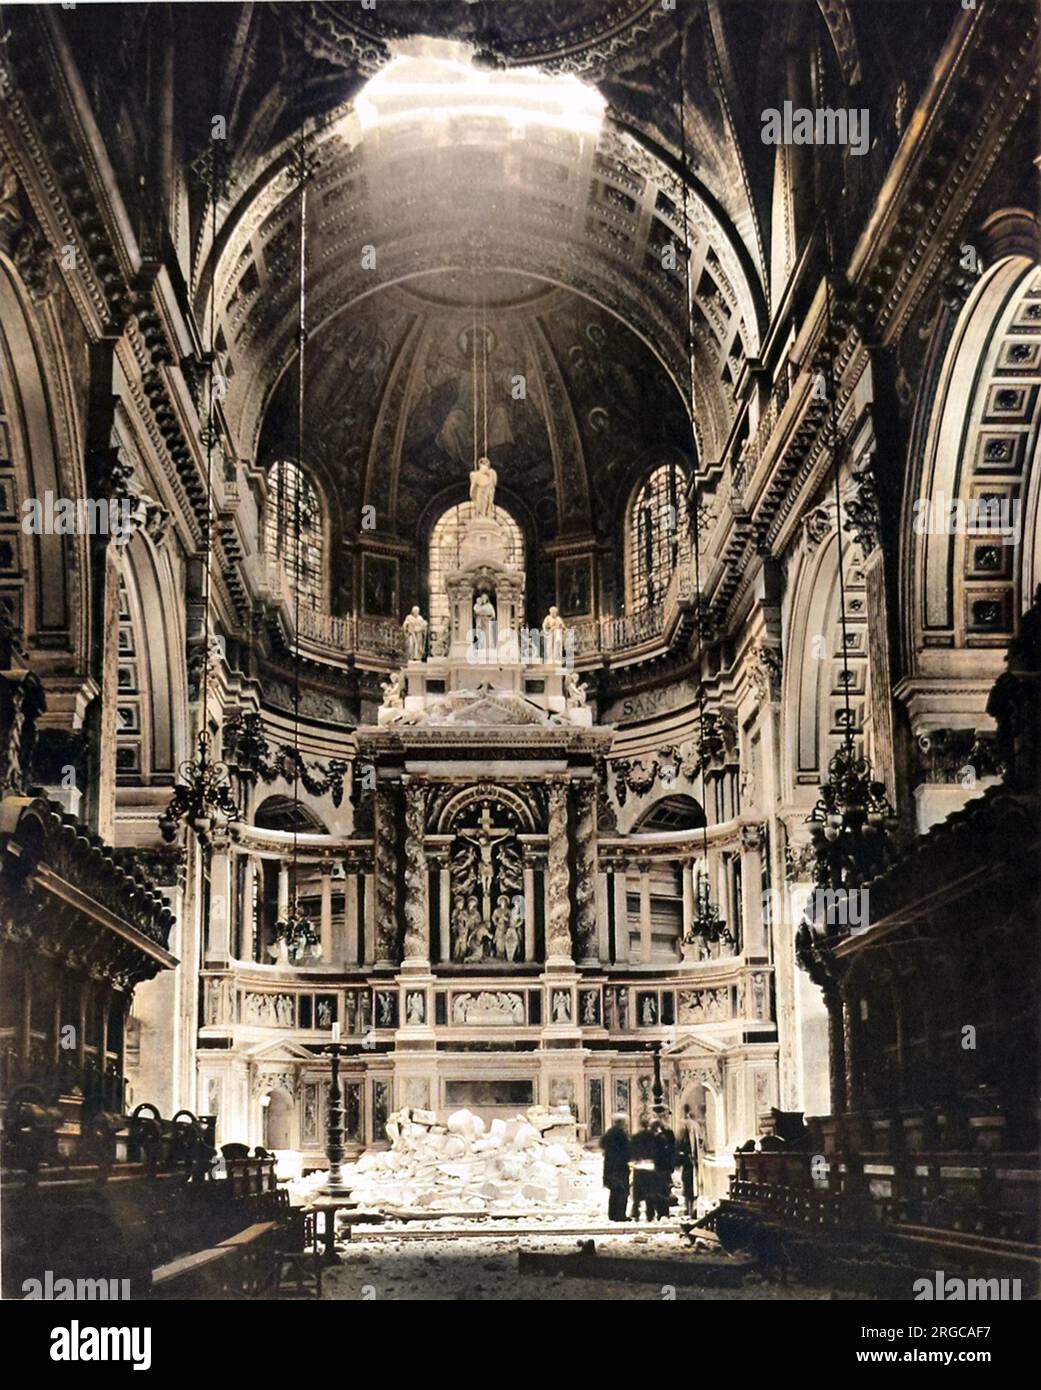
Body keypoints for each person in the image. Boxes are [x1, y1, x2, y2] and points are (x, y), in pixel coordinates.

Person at [600, 1113, 631, 1222]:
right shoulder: (621, 1134)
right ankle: (620, 1215)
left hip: (610, 1166)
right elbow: (627, 1150)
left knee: (614, 1191)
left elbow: (602, 1145)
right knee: (622, 1191)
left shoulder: (609, 1133)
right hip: (620, 1167)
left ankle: (612, 1214)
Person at [628, 1115, 657, 1222]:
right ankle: (650, 1213)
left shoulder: (636, 1137)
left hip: (639, 1166)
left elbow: (631, 1151)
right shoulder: (653, 1137)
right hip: (650, 1166)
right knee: (650, 1190)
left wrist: (635, 1160)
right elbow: (656, 1151)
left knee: (638, 1191)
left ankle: (636, 1211)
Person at [651, 1117, 677, 1220]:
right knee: (662, 1191)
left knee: (662, 1190)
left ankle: (661, 1212)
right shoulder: (660, 1137)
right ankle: (662, 1212)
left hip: (661, 1167)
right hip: (661, 1167)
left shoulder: (661, 1136)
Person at [677, 1105, 700, 1217]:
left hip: (688, 1161)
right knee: (690, 1186)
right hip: (692, 1161)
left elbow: (682, 1143)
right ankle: (691, 1209)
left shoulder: (685, 1126)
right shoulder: (694, 1125)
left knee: (688, 1186)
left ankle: (690, 1209)